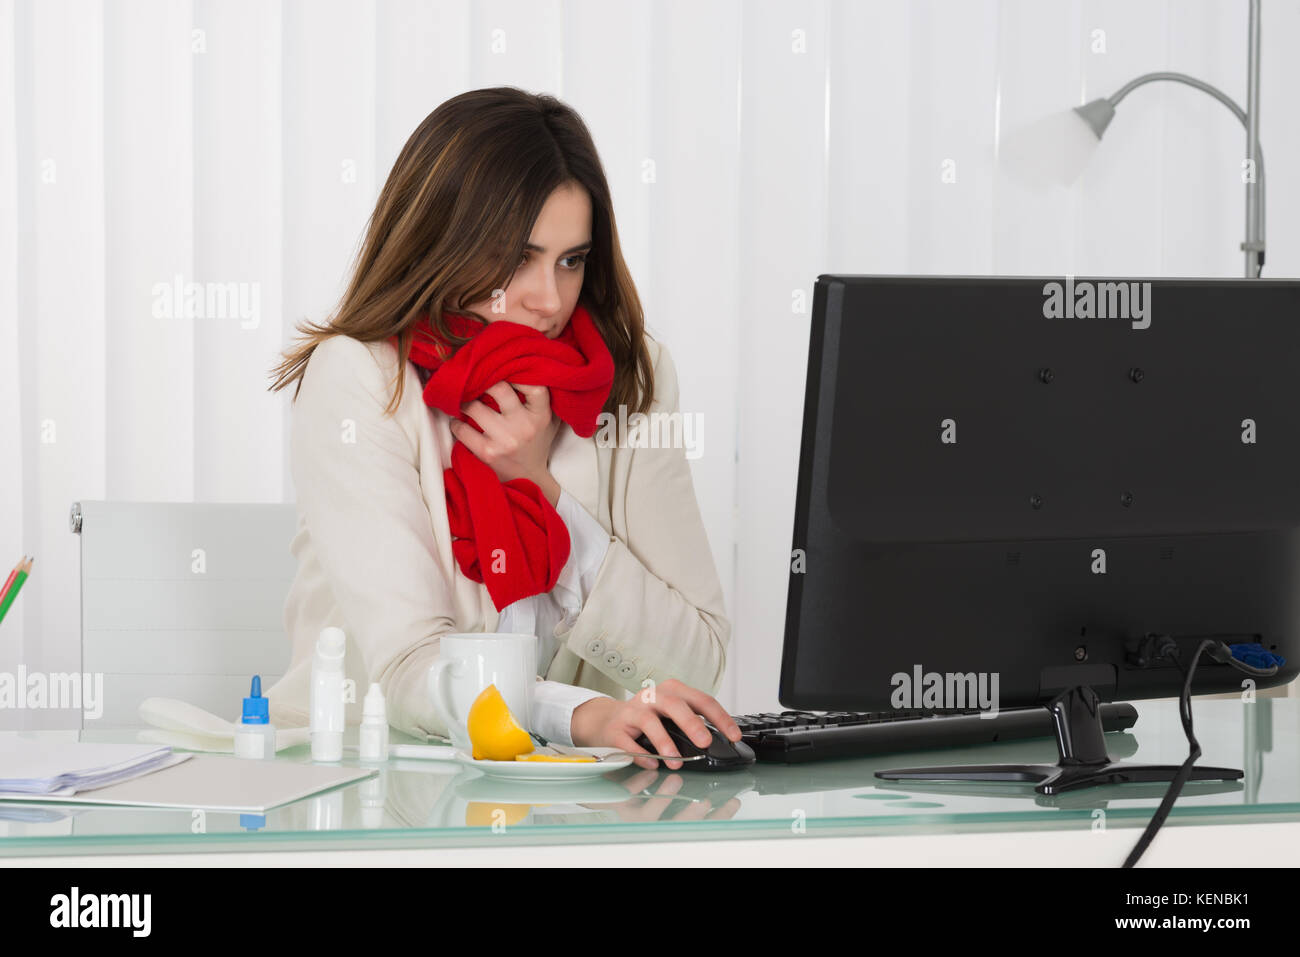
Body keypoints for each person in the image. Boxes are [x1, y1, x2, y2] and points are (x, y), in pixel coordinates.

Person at [266, 87, 739, 770]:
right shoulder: (362, 379)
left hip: (573, 807)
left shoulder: (631, 374)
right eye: (519, 257)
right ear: (442, 242)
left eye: (572, 260)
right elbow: (408, 669)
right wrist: (581, 714)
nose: (549, 298)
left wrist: (544, 493)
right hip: (368, 787)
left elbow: (697, 656)